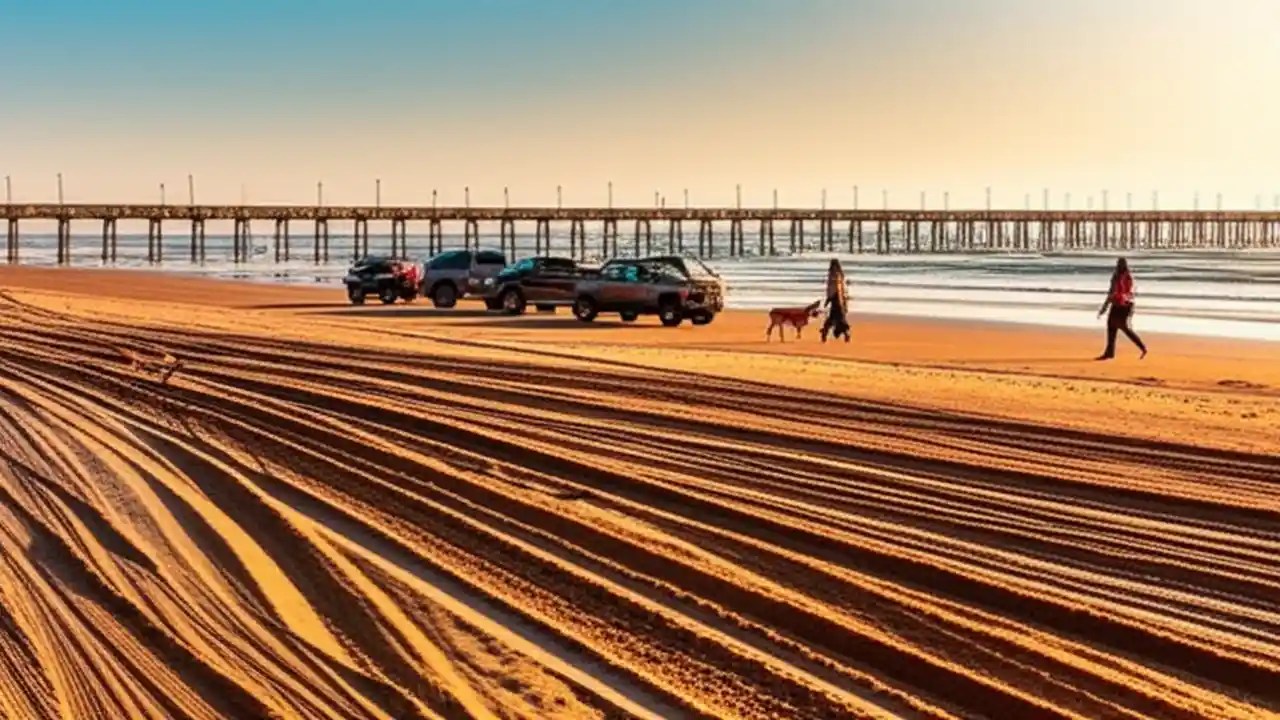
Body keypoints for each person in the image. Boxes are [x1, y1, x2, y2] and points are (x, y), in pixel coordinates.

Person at [1096, 257, 1148, 360]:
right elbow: (1131, 292)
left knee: (1119, 327)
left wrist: (1104, 307)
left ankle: (1142, 347)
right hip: (1126, 305)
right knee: (1116, 327)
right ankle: (1110, 352)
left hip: (1119, 304)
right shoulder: (1129, 276)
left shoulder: (1117, 276)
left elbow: (1112, 292)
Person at [821, 258, 851, 343]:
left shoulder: (834, 275)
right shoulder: (839, 275)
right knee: (838, 318)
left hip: (836, 298)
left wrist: (830, 298)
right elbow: (841, 288)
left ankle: (825, 333)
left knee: (834, 318)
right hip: (838, 299)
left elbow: (835, 288)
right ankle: (845, 334)